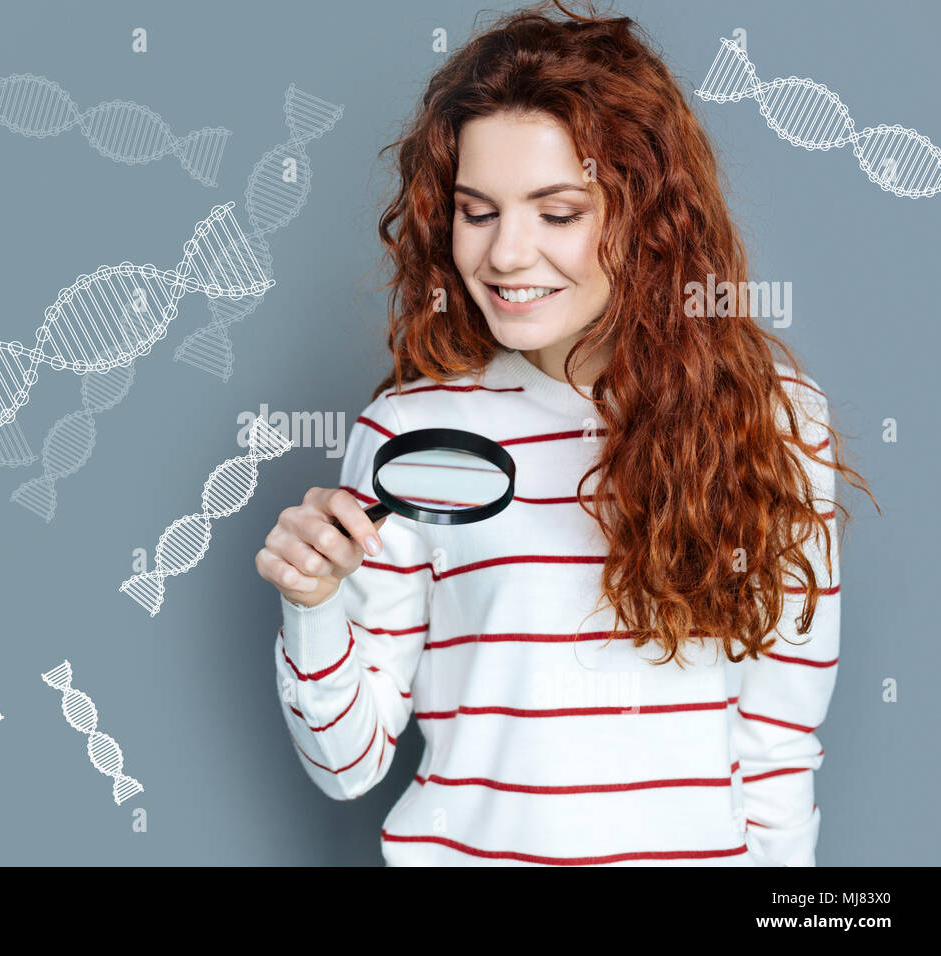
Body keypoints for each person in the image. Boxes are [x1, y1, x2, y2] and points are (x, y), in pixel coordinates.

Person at [255, 0, 877, 866]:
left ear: (648, 215)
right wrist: (311, 606)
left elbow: (776, 752)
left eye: (557, 212)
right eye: (478, 212)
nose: (506, 254)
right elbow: (346, 766)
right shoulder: (414, 432)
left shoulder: (775, 421)